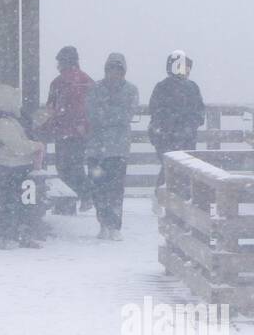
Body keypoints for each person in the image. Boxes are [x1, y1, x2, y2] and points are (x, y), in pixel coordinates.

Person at [85, 53, 140, 241]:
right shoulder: (94, 89)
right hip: (96, 148)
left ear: (123, 72)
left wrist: (106, 113)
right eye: (111, 70)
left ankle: (115, 225)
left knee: (115, 189)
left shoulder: (132, 90)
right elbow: (92, 114)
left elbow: (127, 115)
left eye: (118, 70)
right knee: (98, 188)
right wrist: (113, 114)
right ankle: (103, 223)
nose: (114, 74)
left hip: (118, 149)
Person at [0, 84, 45, 249]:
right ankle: (11, 236)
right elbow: (17, 146)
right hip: (12, 168)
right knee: (14, 203)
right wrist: (37, 146)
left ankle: (19, 234)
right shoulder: (4, 124)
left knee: (20, 203)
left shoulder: (8, 122)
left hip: (16, 168)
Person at [148, 50, 205, 205]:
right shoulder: (165, 87)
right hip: (171, 137)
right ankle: (167, 199)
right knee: (173, 168)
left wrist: (189, 124)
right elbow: (156, 111)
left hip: (176, 137)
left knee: (173, 168)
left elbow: (199, 112)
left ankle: (167, 199)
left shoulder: (190, 87)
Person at [44, 46, 95, 211]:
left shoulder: (58, 82)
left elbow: (50, 108)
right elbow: (92, 107)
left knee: (64, 167)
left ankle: (68, 203)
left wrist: (45, 124)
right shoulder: (86, 80)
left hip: (63, 131)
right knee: (76, 166)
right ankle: (84, 196)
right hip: (80, 132)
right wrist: (84, 124)